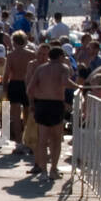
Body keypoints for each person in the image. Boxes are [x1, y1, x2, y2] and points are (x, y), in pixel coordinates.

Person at [26, 46, 72, 180]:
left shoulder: (41, 68)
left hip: (42, 104)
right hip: (55, 104)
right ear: (61, 57)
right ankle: (53, 170)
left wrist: (33, 104)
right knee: (56, 139)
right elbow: (65, 82)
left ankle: (43, 171)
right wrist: (78, 86)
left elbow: (30, 89)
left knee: (42, 139)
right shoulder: (63, 68)